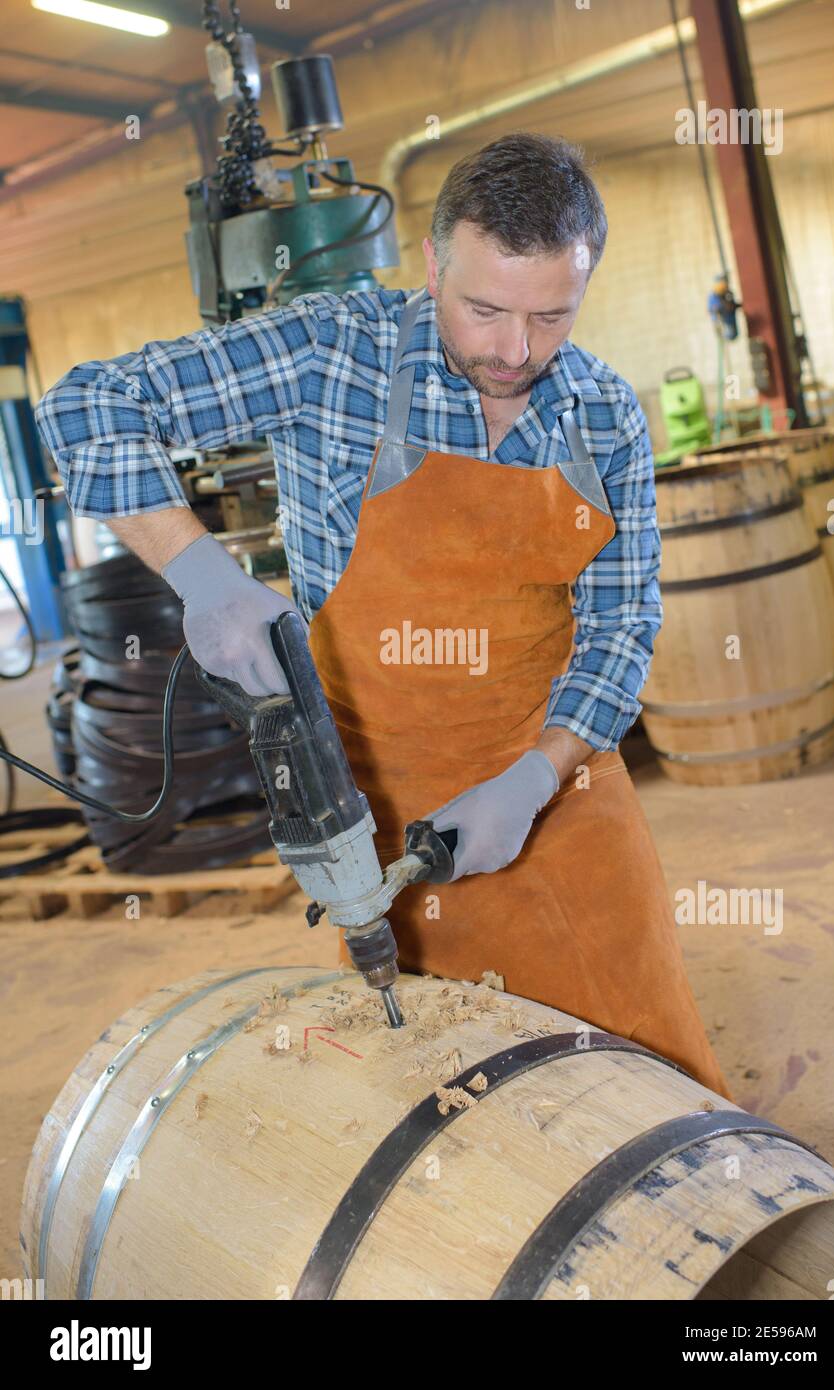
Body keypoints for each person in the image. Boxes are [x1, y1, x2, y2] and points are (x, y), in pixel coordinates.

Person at [36, 132, 732, 1099]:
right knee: (430, 1087)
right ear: (433, 262)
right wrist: (202, 575)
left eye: (550, 316)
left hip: (552, 778)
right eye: (484, 309)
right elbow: (85, 407)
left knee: (648, 1054)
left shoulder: (603, 414)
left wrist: (535, 779)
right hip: (379, 798)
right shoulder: (332, 354)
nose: (513, 351)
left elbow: (620, 624)